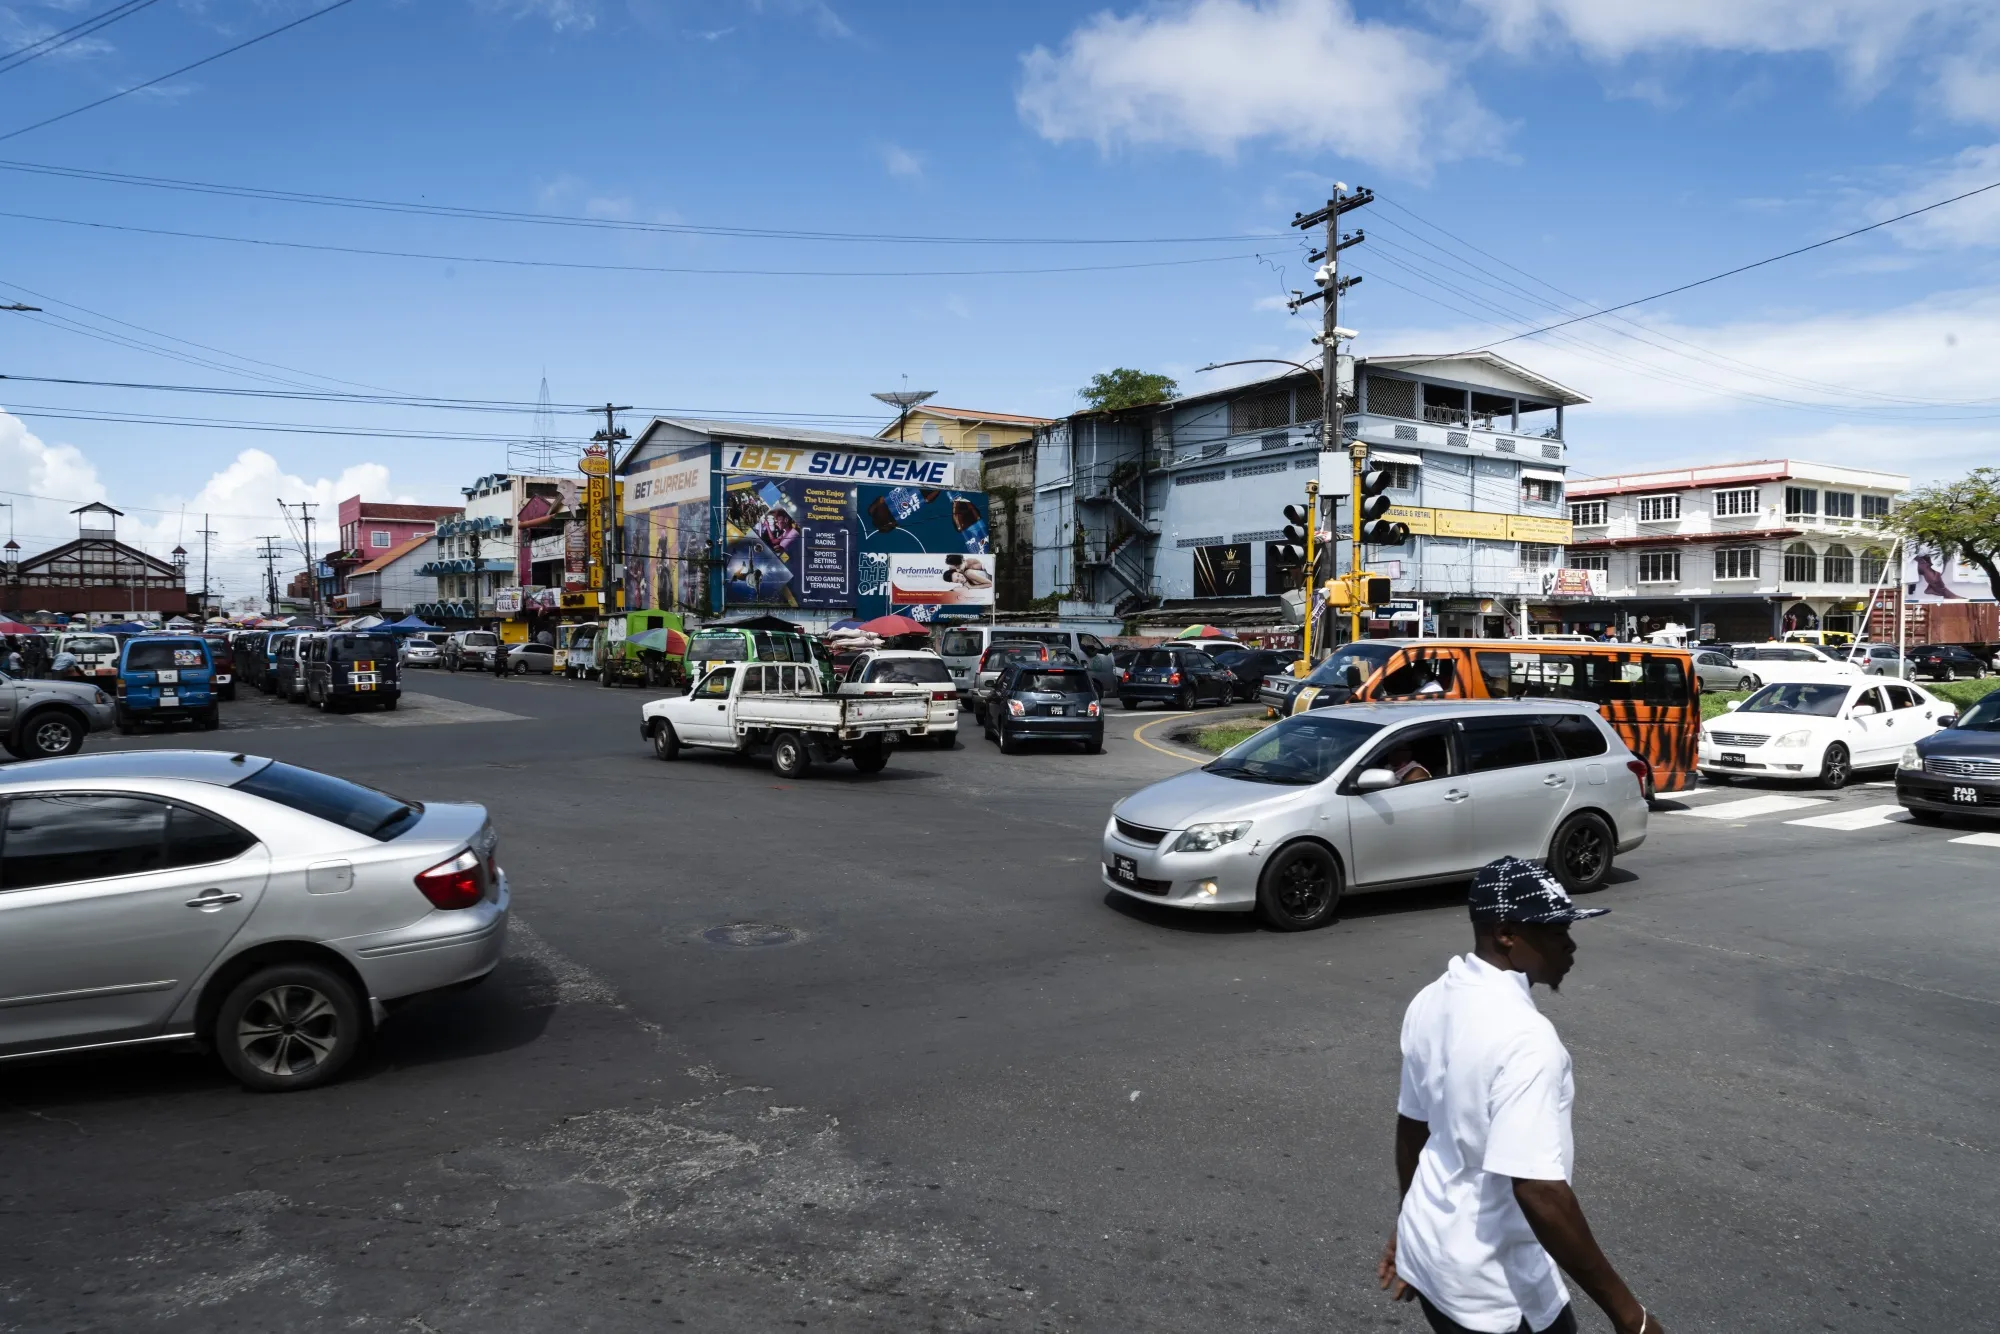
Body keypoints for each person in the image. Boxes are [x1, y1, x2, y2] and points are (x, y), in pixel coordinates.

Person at [1380, 857, 1666, 1334]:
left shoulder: (1433, 996)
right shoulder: (1527, 1040)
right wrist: (1630, 1316)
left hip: (1433, 1259)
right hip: (1494, 1293)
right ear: (1507, 933)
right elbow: (1538, 1190)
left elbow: (1414, 1126)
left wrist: (1408, 1228)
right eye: (1555, 931)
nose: (1570, 945)